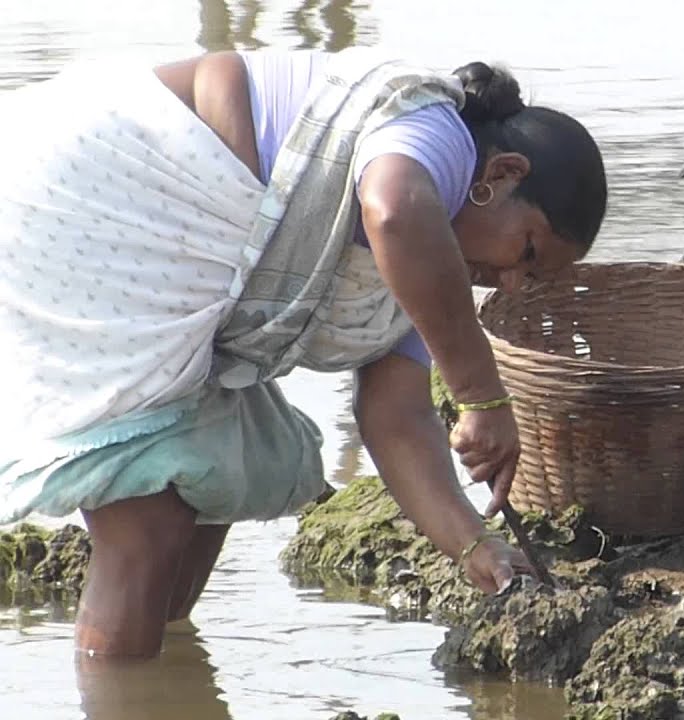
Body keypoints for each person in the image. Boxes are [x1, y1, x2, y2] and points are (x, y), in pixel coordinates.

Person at [0, 46, 607, 659]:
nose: (507, 283)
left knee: (196, 508)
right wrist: (481, 395)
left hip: (169, 261)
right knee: (146, 527)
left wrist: (475, 546)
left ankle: (162, 688)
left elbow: (396, 420)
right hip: (98, 193)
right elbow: (394, 211)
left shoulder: (416, 273)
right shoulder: (435, 129)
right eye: (527, 253)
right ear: (501, 175)